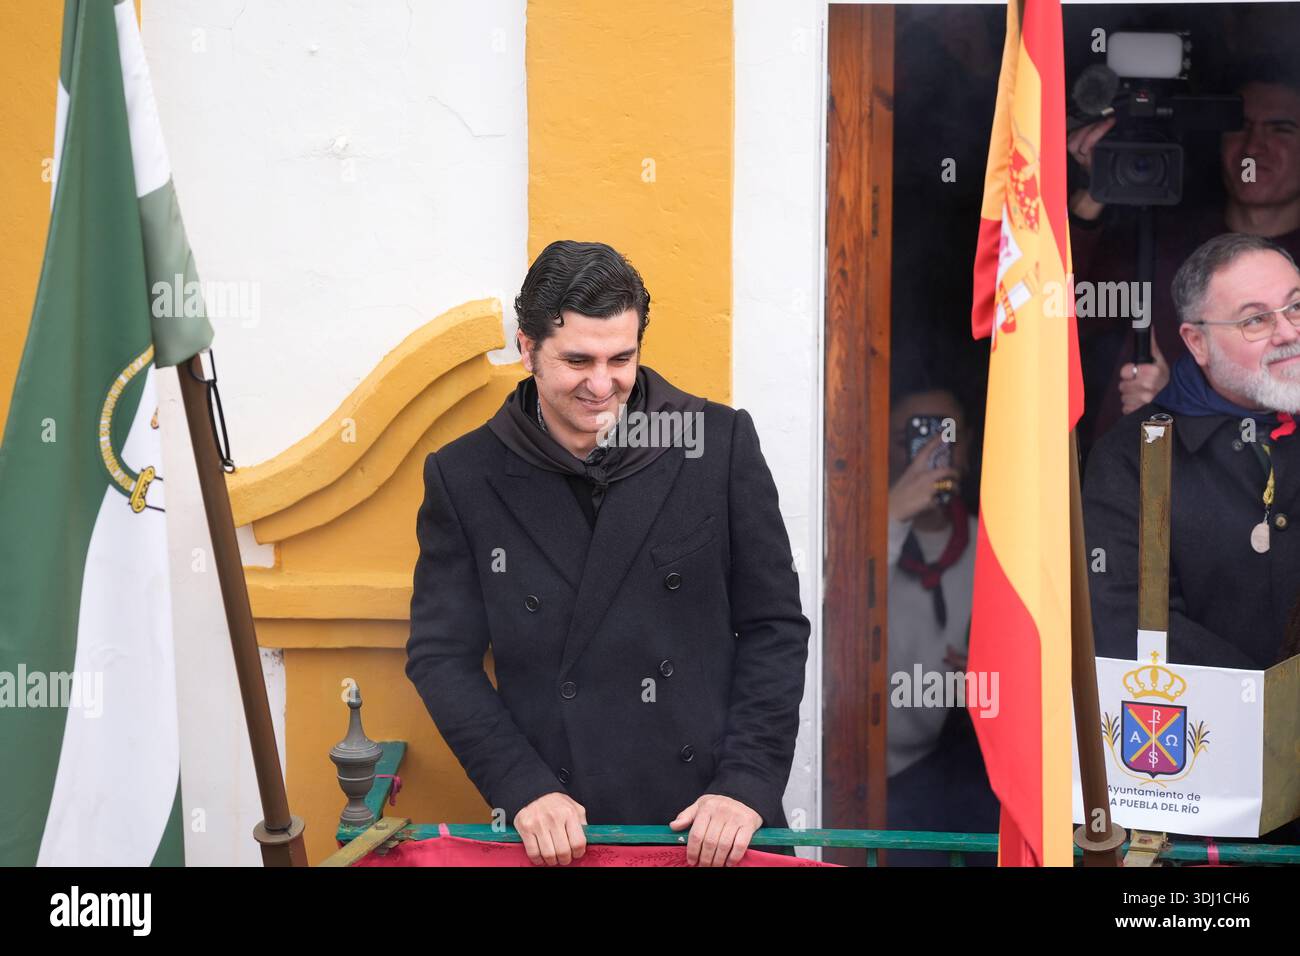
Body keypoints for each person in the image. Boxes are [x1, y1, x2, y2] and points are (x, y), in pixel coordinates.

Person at [404, 240, 811, 867]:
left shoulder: (718, 444)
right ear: (527, 350)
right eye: (578, 360)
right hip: (566, 832)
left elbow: (773, 627)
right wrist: (523, 788)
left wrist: (746, 785)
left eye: (621, 358)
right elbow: (441, 658)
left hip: (710, 826)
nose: (602, 385)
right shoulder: (465, 478)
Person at [1084, 232, 1300, 670]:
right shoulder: (1132, 458)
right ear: (1197, 342)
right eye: (1256, 320)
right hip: (1209, 726)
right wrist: (1267, 705)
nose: (1288, 332)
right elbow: (1127, 618)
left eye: (1296, 306)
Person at [1068, 64, 1300, 452]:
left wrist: (1178, 401)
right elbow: (1058, 308)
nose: (1254, 147)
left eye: (1280, 130)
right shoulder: (1164, 237)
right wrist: (1097, 188)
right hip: (1135, 487)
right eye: (1239, 126)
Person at [883, 386, 998, 865]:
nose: (934, 449)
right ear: (888, 447)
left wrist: (994, 676)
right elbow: (822, 615)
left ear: (967, 447)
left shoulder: (996, 549)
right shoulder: (856, 535)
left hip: (966, 773)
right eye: (917, 435)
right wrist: (891, 516)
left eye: (946, 435)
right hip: (877, 777)